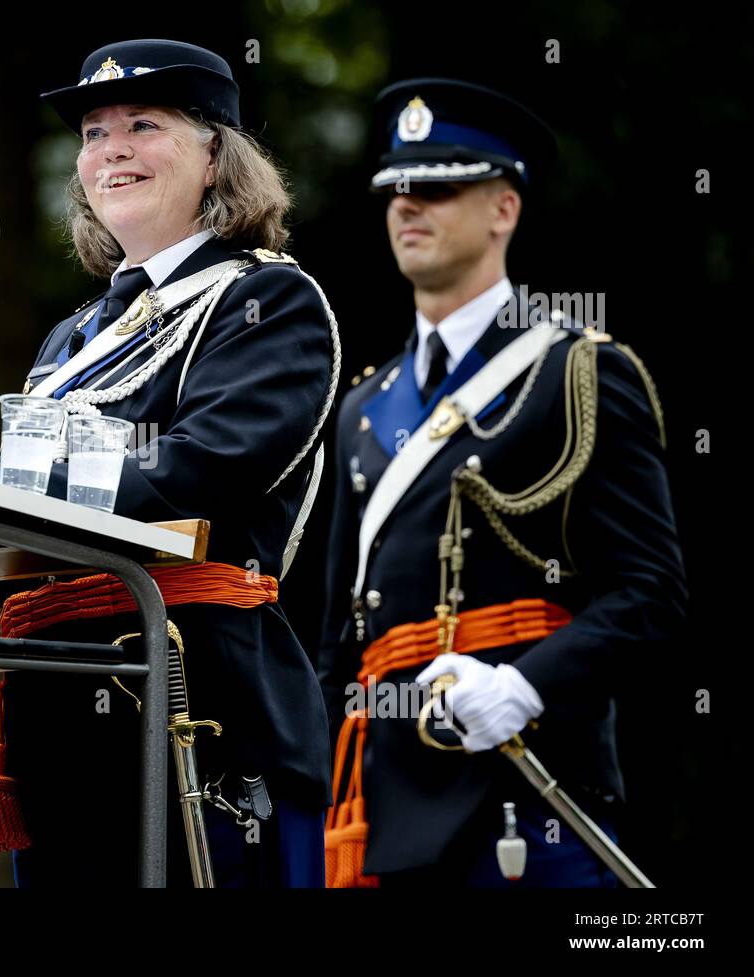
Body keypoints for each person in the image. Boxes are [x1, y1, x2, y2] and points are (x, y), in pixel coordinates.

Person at [0, 39, 341, 888]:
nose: (112, 150)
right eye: (94, 134)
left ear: (218, 158)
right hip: (55, 719)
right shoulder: (71, 338)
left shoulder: (264, 297)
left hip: (197, 703)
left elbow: (201, 468)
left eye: (144, 124)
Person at [316, 79, 687, 887]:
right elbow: (338, 641)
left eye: (437, 188)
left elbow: (652, 593)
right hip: (384, 803)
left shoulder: (577, 371)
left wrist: (525, 683)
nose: (408, 206)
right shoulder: (364, 409)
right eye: (395, 191)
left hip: (525, 785)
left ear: (503, 209)